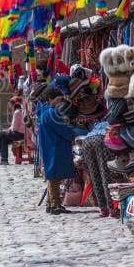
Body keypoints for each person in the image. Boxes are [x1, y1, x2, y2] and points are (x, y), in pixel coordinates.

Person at [36, 86, 76, 215]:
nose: (60, 103)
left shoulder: (43, 112)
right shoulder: (52, 112)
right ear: (50, 99)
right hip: (55, 147)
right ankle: (55, 205)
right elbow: (62, 130)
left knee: (52, 175)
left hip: (49, 146)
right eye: (58, 100)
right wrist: (72, 134)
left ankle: (49, 203)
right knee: (54, 176)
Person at [0, 97, 26, 165]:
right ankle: (4, 160)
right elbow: (14, 125)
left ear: (13, 104)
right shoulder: (19, 111)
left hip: (20, 134)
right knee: (4, 139)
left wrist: (10, 129)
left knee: (2, 134)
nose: (8, 104)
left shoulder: (17, 112)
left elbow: (15, 128)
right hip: (21, 133)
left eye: (9, 103)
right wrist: (10, 129)